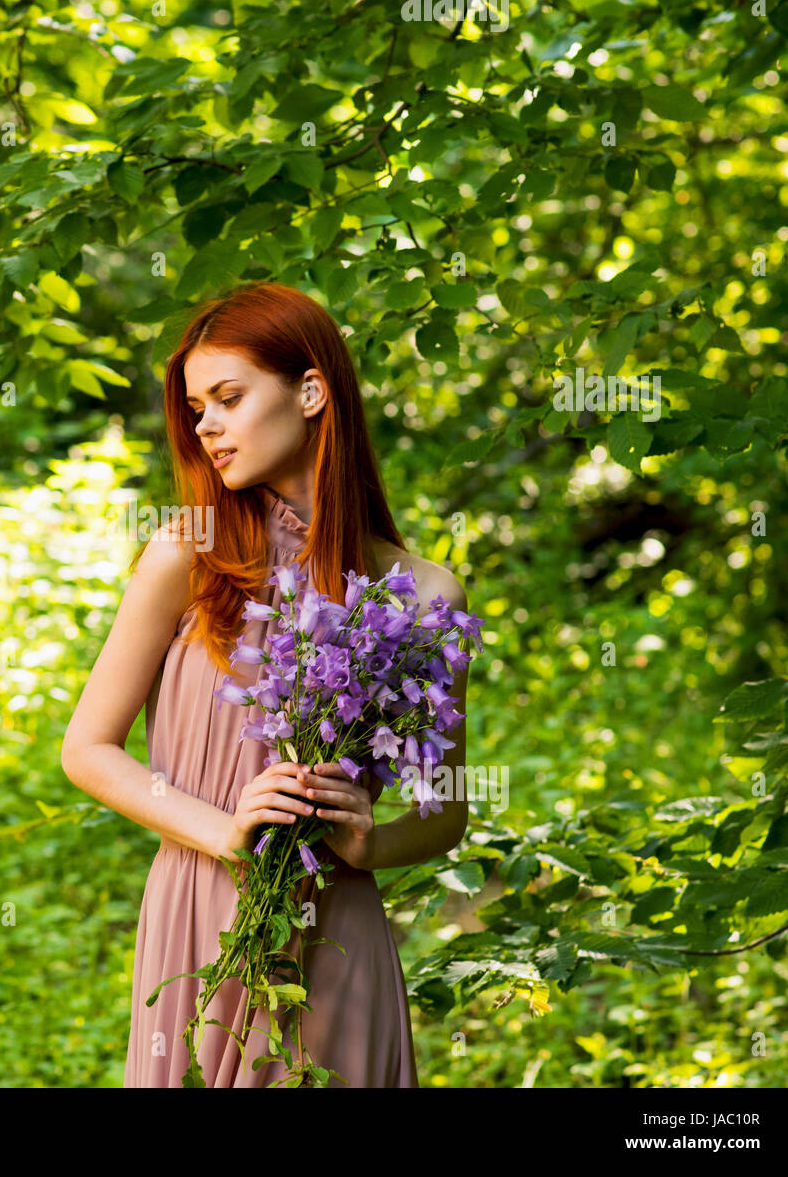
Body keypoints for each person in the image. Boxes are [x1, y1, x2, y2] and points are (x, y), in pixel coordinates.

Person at [61, 282, 471, 1087]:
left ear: (311, 392)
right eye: (195, 407)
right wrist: (223, 832)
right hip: (200, 911)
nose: (205, 425)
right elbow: (87, 750)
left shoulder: (426, 599)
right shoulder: (187, 554)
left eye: (228, 397)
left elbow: (445, 810)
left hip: (340, 931)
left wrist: (371, 842)